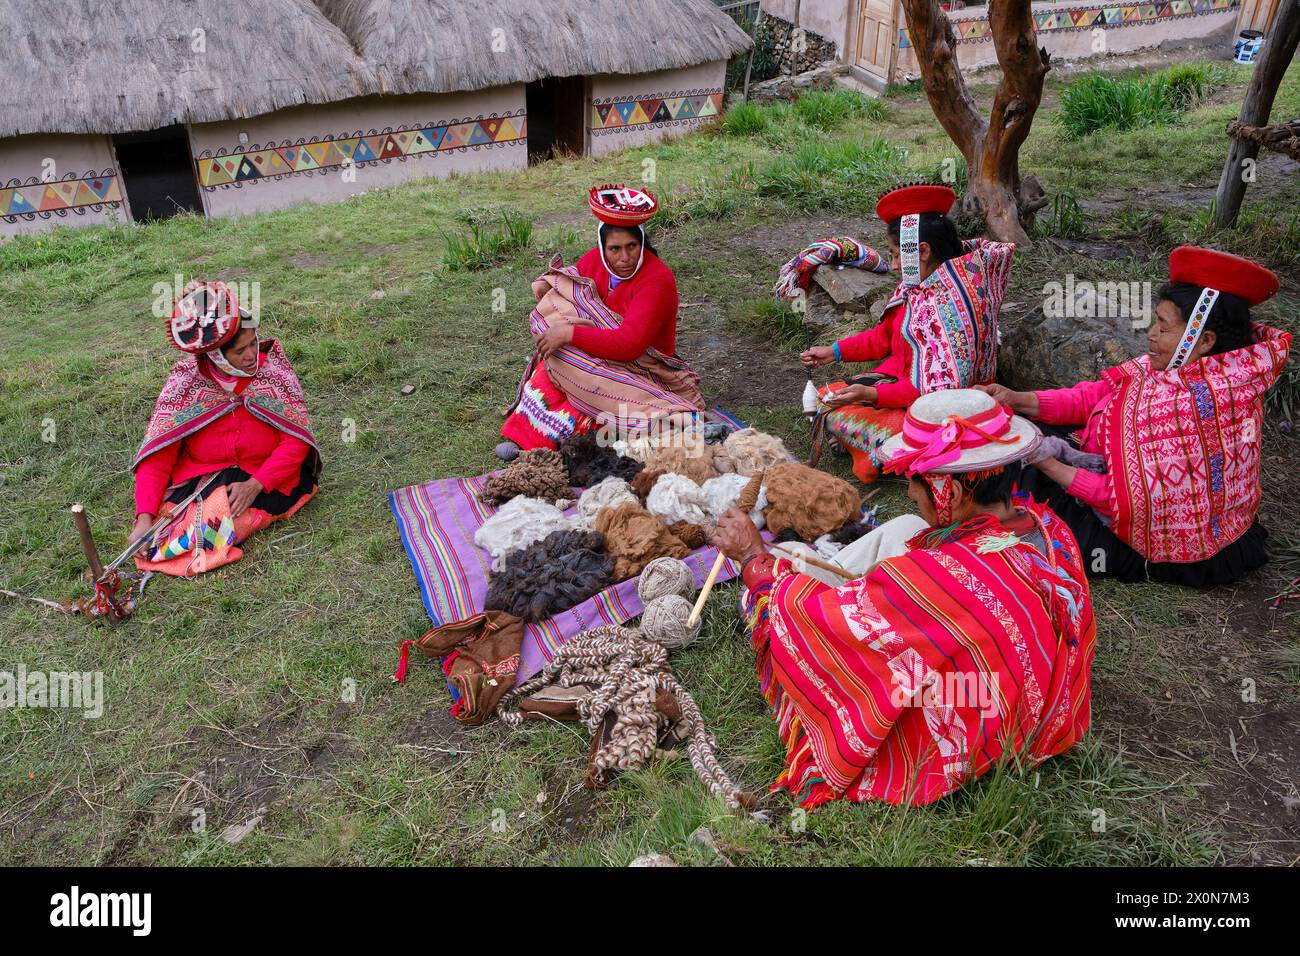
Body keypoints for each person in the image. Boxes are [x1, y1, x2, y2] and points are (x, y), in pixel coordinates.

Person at [711, 389, 1096, 807]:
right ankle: (803, 573)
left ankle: (782, 586)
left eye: (915, 480)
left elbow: (824, 621)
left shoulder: (938, 580)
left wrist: (755, 561)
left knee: (795, 599)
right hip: (1024, 685)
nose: (910, 491)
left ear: (951, 491)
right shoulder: (1048, 528)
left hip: (980, 709)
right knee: (906, 528)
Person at [980, 246, 1290, 586]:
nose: (1151, 334)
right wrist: (1016, 398)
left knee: (1011, 475)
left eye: (1162, 325)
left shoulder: (1199, 407)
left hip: (1151, 541)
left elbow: (1122, 500)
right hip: (1113, 480)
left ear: (1203, 340)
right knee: (1017, 431)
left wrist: (1048, 465)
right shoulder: (1172, 370)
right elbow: (1090, 398)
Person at [779, 183, 1014, 483]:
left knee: (835, 410)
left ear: (924, 251)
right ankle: (873, 445)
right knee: (829, 399)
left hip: (948, 411)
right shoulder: (920, 286)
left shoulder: (950, 302)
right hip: (906, 384)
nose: (892, 265)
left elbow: (938, 395)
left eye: (894, 255)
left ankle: (888, 454)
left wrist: (872, 394)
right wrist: (834, 352)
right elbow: (884, 337)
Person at [131, 280, 321, 576]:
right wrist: (144, 516)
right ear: (215, 355)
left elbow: (296, 442)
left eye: (254, 342)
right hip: (200, 476)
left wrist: (255, 484)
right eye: (240, 351)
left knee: (211, 526)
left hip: (264, 476)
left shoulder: (273, 373)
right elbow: (160, 453)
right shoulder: (185, 384)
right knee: (160, 532)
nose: (252, 355)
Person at [500, 184, 705, 454]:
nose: (624, 258)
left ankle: (674, 418)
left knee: (574, 365)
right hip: (598, 357)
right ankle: (536, 443)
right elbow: (562, 293)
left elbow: (629, 344)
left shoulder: (657, 280)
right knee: (556, 357)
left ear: (642, 244)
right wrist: (567, 326)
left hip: (641, 370)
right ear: (602, 247)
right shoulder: (594, 261)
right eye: (615, 249)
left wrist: (570, 333)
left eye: (632, 246)